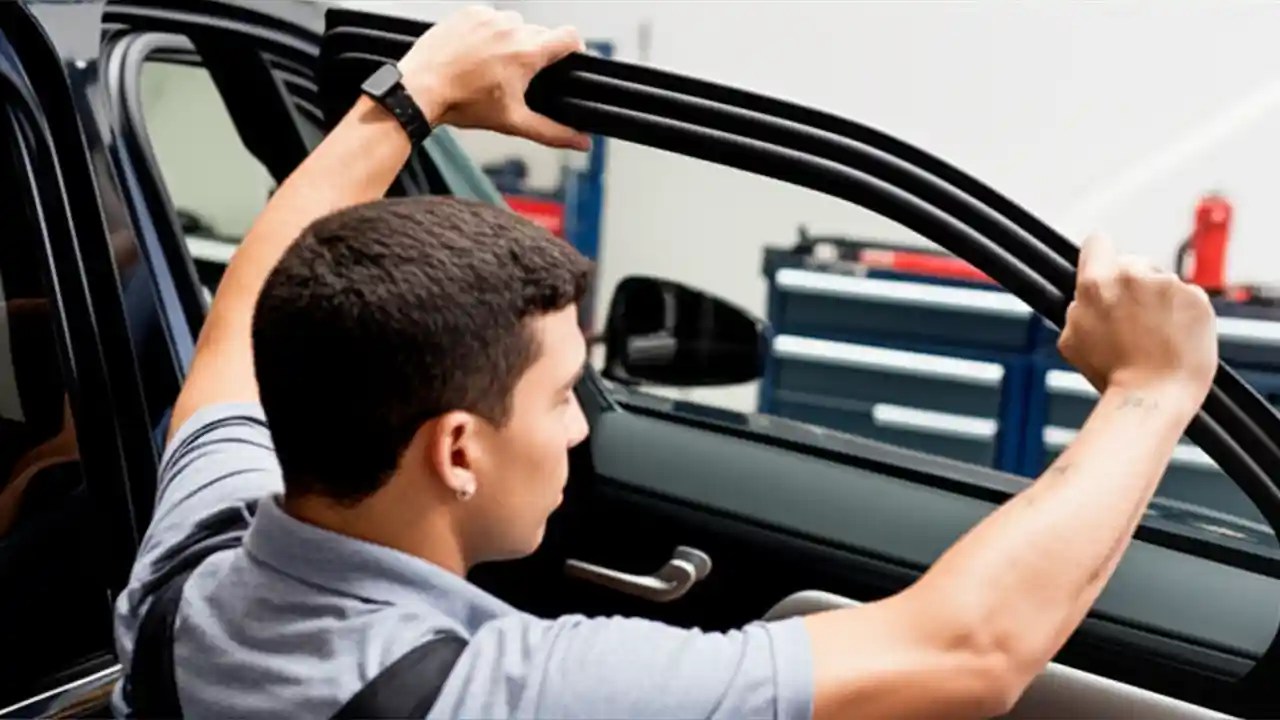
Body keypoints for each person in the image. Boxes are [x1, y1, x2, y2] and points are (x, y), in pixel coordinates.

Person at [111, 6, 1220, 719]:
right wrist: (1151, 391)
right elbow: (963, 652)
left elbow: (237, 326)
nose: (582, 426)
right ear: (455, 448)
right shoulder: (501, 695)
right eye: (558, 395)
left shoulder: (195, 572)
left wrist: (413, 93)